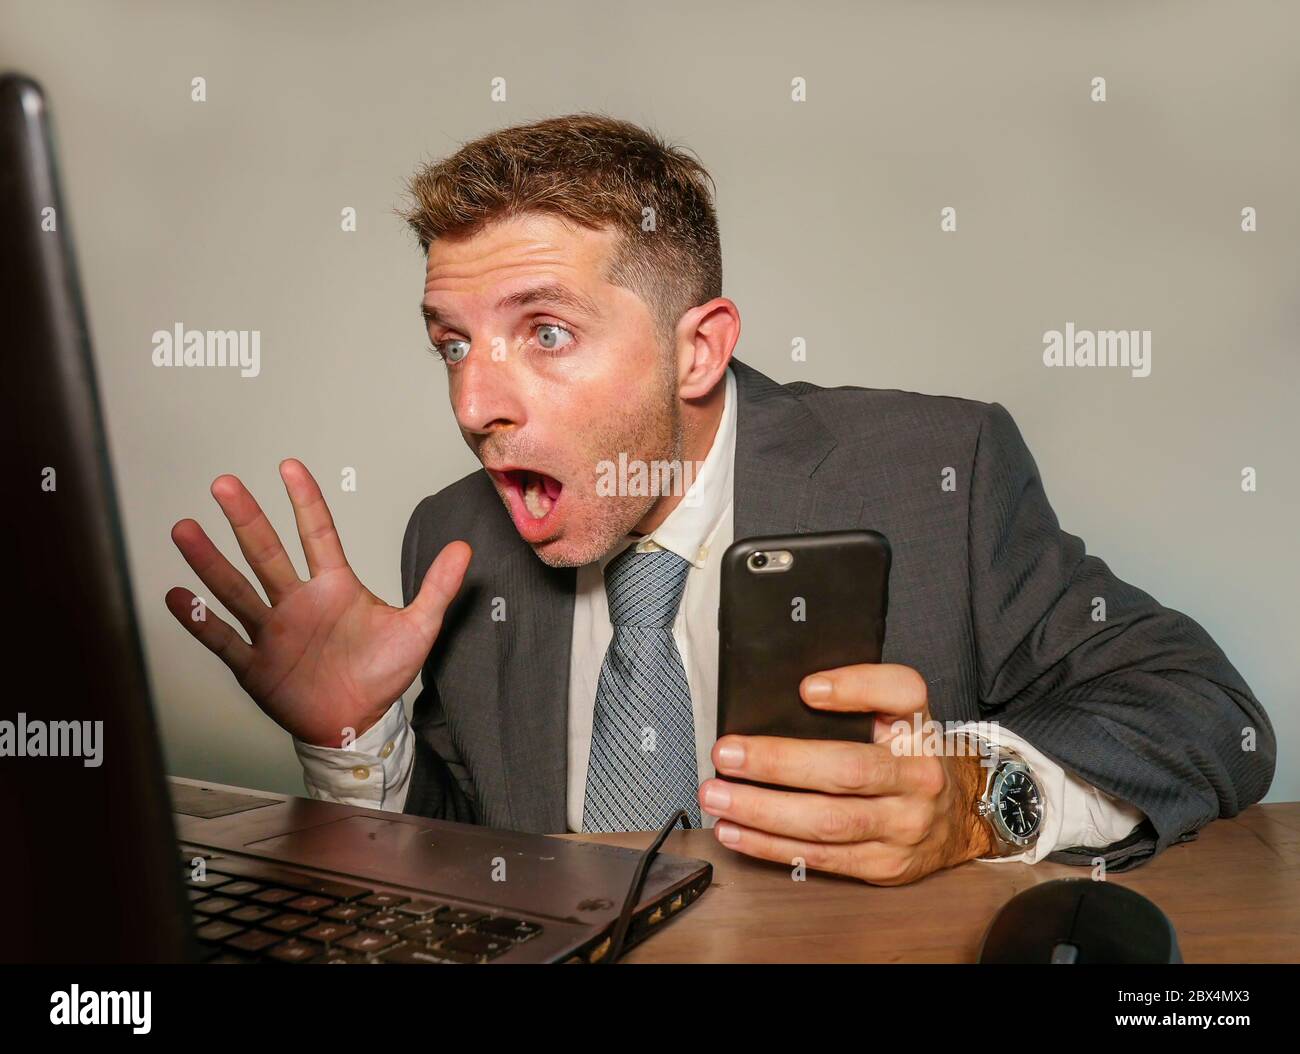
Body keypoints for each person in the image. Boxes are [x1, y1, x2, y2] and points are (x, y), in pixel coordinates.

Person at [165, 114, 1274, 886]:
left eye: (544, 331)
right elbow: (467, 864)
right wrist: (358, 748)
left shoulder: (940, 470)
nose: (475, 399)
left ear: (698, 350)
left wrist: (977, 800)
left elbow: (1207, 713)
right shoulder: (455, 538)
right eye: (452, 343)